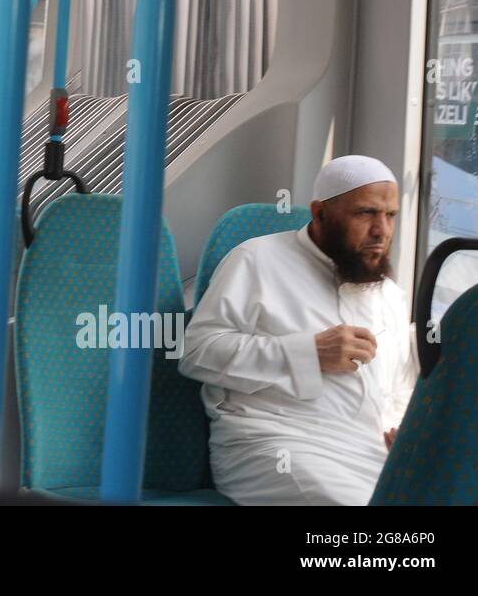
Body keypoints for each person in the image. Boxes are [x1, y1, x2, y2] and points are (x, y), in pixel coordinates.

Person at [179, 155, 419, 506]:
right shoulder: (256, 261)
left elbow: (398, 386)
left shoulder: (386, 292)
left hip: (370, 451)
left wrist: (405, 428)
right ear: (320, 213)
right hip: (276, 444)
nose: (381, 230)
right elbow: (197, 353)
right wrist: (307, 352)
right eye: (366, 213)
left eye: (390, 215)